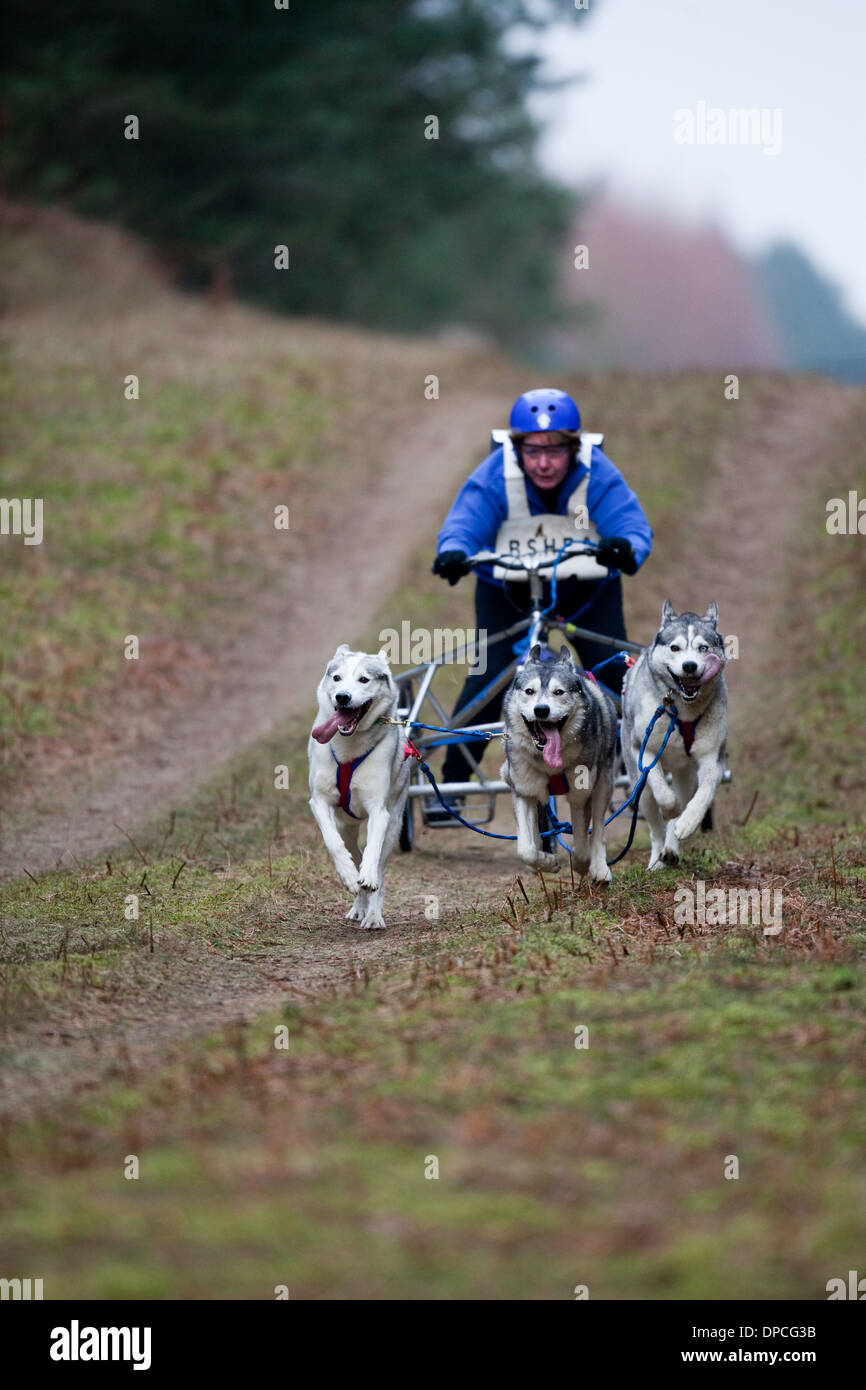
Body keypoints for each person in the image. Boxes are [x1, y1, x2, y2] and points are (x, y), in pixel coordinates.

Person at [429, 387, 652, 819]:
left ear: (573, 448)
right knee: (490, 677)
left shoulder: (597, 472)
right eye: (533, 451)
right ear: (517, 448)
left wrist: (625, 547)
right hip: (508, 591)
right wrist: (453, 551)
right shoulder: (496, 473)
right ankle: (455, 781)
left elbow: (630, 523)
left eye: (555, 451)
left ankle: (636, 769)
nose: (544, 462)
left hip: (585, 591)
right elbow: (464, 521)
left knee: (612, 674)